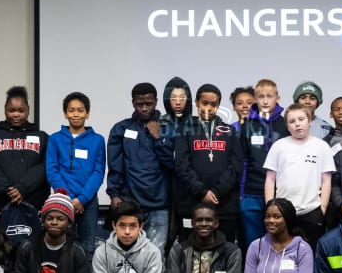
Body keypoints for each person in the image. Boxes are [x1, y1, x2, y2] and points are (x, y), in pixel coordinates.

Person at [106, 82, 174, 254]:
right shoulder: (121, 129)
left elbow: (172, 164)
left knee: (156, 254)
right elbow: (115, 164)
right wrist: (114, 193)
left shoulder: (168, 127)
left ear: (156, 102)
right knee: (128, 253)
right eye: (139, 104)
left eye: (149, 104)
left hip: (159, 203)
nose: (144, 108)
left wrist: (158, 138)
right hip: (130, 202)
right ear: (133, 103)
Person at [0, 86, 51, 242]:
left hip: (32, 207)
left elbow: (45, 166)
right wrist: (8, 189)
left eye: (21, 110)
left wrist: (22, 188)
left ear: (28, 110)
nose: (16, 114)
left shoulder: (42, 137)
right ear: (5, 110)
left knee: (30, 252)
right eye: (11, 110)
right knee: (0, 250)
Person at [175, 83, 244, 242]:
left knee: (225, 252)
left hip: (224, 205)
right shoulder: (184, 130)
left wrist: (217, 191)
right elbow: (181, 165)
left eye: (214, 104)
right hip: (192, 204)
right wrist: (202, 192)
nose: (209, 108)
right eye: (204, 103)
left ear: (219, 105)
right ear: (197, 103)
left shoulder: (230, 131)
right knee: (189, 253)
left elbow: (236, 166)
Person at [263, 103, 335, 246]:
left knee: (310, 252)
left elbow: (326, 181)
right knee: (282, 252)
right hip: (282, 211)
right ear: (287, 126)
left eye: (301, 119)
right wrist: (270, 208)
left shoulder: (322, 147)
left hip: (312, 210)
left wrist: (323, 209)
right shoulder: (279, 146)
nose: (297, 124)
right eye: (292, 121)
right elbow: (270, 179)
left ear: (309, 122)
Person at [46, 91, 106, 256]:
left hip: (89, 202)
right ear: (65, 114)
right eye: (71, 110)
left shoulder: (98, 140)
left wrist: (82, 199)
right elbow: (52, 171)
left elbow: (98, 172)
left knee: (87, 249)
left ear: (87, 113)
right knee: (64, 247)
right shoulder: (55, 139)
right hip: (62, 201)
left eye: (80, 110)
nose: (76, 114)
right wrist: (69, 198)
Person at [237, 79, 288, 248]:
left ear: (277, 98)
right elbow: (241, 161)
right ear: (255, 99)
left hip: (280, 193)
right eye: (260, 97)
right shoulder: (247, 126)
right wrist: (242, 194)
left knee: (278, 244)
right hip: (251, 193)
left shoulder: (285, 125)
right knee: (253, 245)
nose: (265, 101)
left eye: (269, 96)